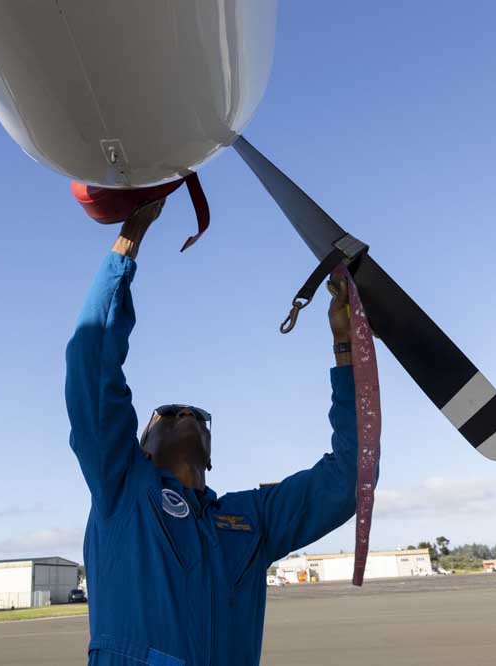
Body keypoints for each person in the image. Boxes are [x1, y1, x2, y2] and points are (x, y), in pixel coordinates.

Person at [65, 198, 361, 665]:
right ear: (140, 444)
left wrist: (347, 347)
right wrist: (129, 241)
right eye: (167, 411)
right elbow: (92, 366)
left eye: (198, 415)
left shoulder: (252, 520)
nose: (185, 413)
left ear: (210, 452)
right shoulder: (121, 488)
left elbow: (347, 480)